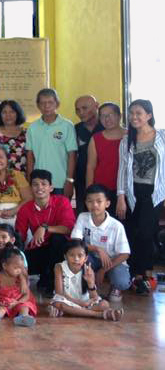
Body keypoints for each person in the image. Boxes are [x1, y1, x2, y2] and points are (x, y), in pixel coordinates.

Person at [115, 99, 165, 294]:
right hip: (133, 192)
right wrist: (120, 197)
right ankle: (137, 275)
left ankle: (145, 273)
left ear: (149, 116)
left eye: (139, 113)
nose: (134, 117)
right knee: (134, 233)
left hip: (155, 192)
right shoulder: (126, 140)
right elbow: (122, 169)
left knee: (147, 232)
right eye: (131, 113)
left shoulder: (161, 136)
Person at [14, 169, 75, 295]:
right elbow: (20, 236)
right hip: (40, 249)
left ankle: (52, 282)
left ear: (51, 187)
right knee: (18, 261)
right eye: (35, 184)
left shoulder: (62, 201)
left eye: (43, 184)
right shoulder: (25, 209)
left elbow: (68, 228)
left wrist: (45, 228)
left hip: (61, 251)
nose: (39, 188)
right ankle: (44, 276)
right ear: (31, 188)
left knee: (57, 238)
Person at [71, 185, 130, 300]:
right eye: (90, 201)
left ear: (107, 203)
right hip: (91, 257)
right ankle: (88, 286)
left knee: (122, 282)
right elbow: (75, 242)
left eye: (99, 201)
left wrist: (103, 270)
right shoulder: (83, 217)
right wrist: (97, 249)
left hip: (112, 260)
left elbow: (125, 254)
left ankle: (114, 286)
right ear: (86, 203)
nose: (94, 205)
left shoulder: (116, 226)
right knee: (77, 258)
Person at [49, 239, 121, 321]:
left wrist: (90, 282)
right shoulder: (59, 267)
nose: (76, 259)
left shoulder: (88, 270)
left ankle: (70, 312)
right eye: (71, 255)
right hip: (67, 300)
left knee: (104, 305)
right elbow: (60, 293)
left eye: (80, 256)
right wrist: (80, 303)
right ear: (65, 256)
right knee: (58, 304)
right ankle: (99, 315)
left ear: (86, 258)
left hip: (85, 302)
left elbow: (94, 296)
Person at [25, 88, 77, 197]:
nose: (46, 106)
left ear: (57, 104)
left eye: (50, 102)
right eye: (43, 103)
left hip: (61, 182)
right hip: (39, 183)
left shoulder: (67, 126)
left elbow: (72, 155)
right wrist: (30, 181)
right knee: (41, 213)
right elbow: (30, 157)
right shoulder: (32, 128)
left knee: (60, 213)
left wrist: (70, 180)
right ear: (38, 105)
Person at [0, 246, 37, 327]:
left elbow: (27, 295)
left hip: (19, 301)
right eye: (16, 268)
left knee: (24, 306)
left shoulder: (21, 279)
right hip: (4, 302)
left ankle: (23, 318)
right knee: (2, 308)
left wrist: (17, 302)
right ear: (5, 266)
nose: (19, 270)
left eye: (21, 267)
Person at [85, 102, 126, 204]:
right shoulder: (96, 138)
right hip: (102, 190)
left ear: (119, 115)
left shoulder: (130, 136)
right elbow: (91, 167)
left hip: (126, 188)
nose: (107, 119)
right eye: (103, 116)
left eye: (110, 115)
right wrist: (89, 191)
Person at [74, 95, 102, 206]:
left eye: (85, 108)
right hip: (81, 182)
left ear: (96, 106)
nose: (81, 112)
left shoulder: (106, 127)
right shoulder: (75, 129)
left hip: (105, 181)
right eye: (77, 110)